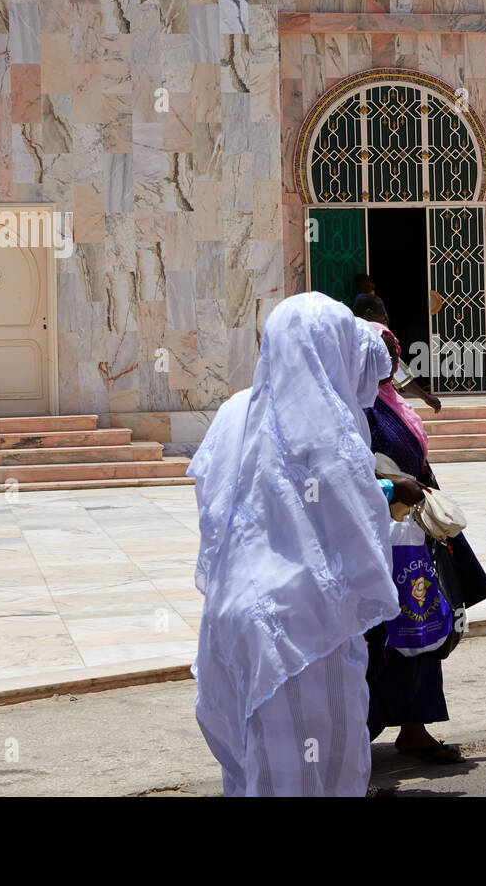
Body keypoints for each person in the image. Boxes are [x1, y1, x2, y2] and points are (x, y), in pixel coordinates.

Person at [187, 292, 426, 797]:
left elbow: (213, 499)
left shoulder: (236, 412)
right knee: (319, 763)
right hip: (306, 628)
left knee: (262, 764)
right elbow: (351, 522)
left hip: (235, 617)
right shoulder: (331, 427)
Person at [354, 294, 486, 764]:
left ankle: (414, 728)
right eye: (384, 351)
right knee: (382, 637)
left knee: (423, 622)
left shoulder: (388, 400)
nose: (394, 357)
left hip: (411, 535)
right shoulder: (352, 408)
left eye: (393, 349)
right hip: (374, 540)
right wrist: (392, 486)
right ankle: (354, 736)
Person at [353, 294, 441, 413]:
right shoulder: (379, 334)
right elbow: (400, 375)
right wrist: (427, 398)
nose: (386, 317)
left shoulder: (349, 333)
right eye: (382, 312)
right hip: (380, 406)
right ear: (369, 314)